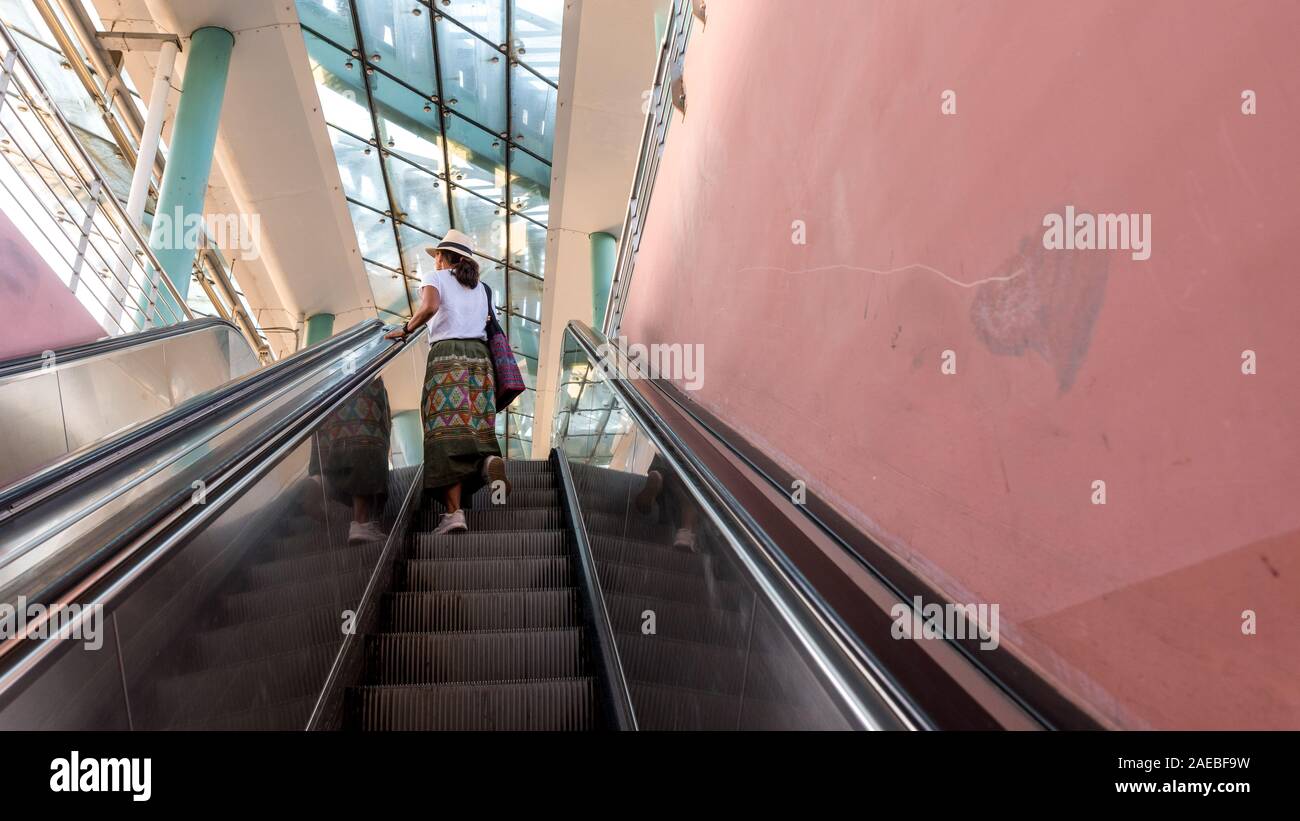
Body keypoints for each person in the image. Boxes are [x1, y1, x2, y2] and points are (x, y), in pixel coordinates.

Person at [384, 229, 508, 534]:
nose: (434, 260)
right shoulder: (484, 289)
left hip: (447, 359)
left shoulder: (435, 277)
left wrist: (406, 328)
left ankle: (454, 514)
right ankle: (487, 460)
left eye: (436, 255)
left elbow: (430, 307)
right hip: (481, 363)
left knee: (445, 434)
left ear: (442, 257)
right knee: (474, 427)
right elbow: (490, 324)